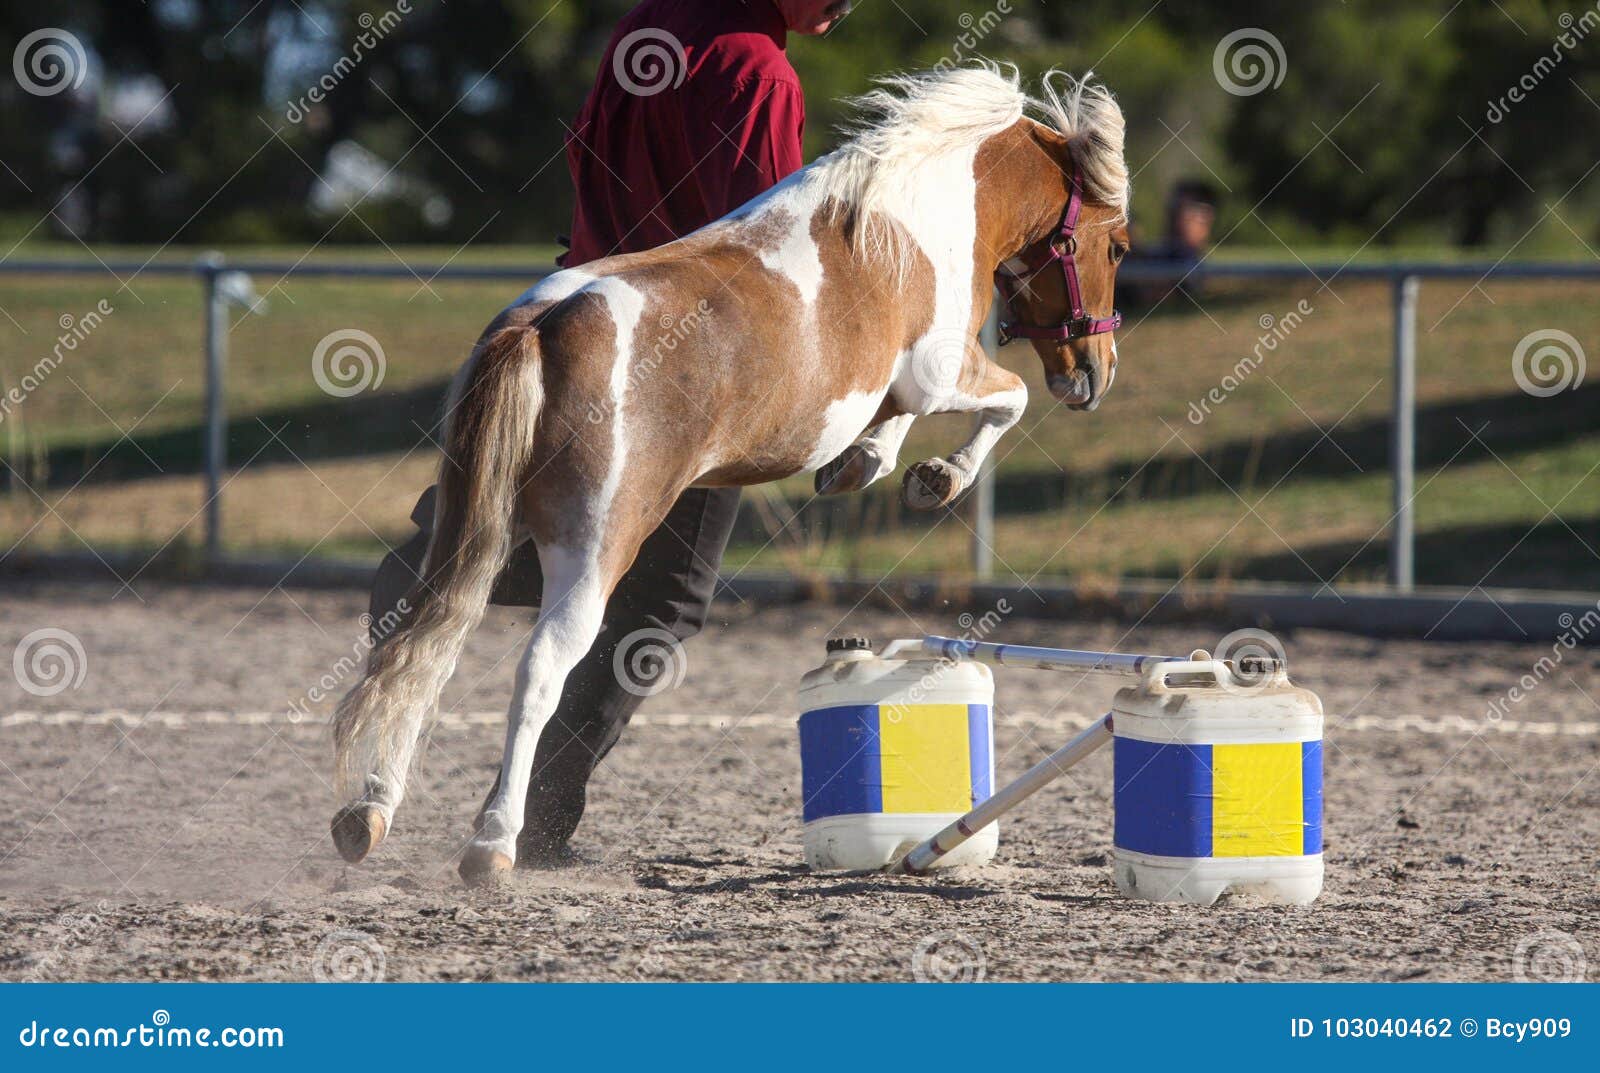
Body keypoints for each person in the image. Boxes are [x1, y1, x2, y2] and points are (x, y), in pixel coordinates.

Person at [368, 0, 851, 864]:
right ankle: (541, 823)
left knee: (543, 530)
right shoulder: (760, 70)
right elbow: (762, 247)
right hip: (687, 361)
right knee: (660, 601)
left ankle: (423, 566)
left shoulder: (647, 25)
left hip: (576, 303)